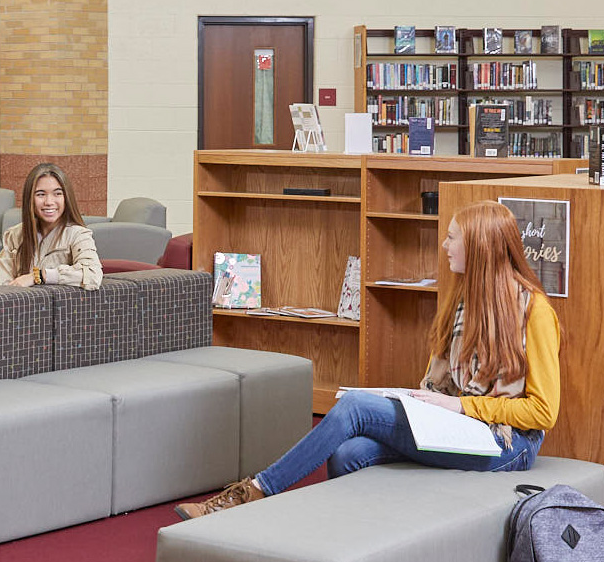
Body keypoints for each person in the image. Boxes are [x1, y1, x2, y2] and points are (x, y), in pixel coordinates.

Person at [175, 200, 560, 519]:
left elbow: (543, 413)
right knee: (348, 453)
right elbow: (438, 382)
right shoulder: (463, 303)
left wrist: (460, 406)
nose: (444, 245)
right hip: (456, 424)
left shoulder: (534, 310)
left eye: (452, 237)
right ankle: (360, 545)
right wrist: (428, 403)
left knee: (356, 407)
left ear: (479, 247)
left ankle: (254, 491)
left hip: (507, 445)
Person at [0, 162, 102, 289]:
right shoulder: (14, 235)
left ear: (66, 197)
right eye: (41, 194)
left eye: (57, 193)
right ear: (30, 199)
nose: (49, 202)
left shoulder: (78, 235)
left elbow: (93, 276)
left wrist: (39, 276)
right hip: (21, 306)